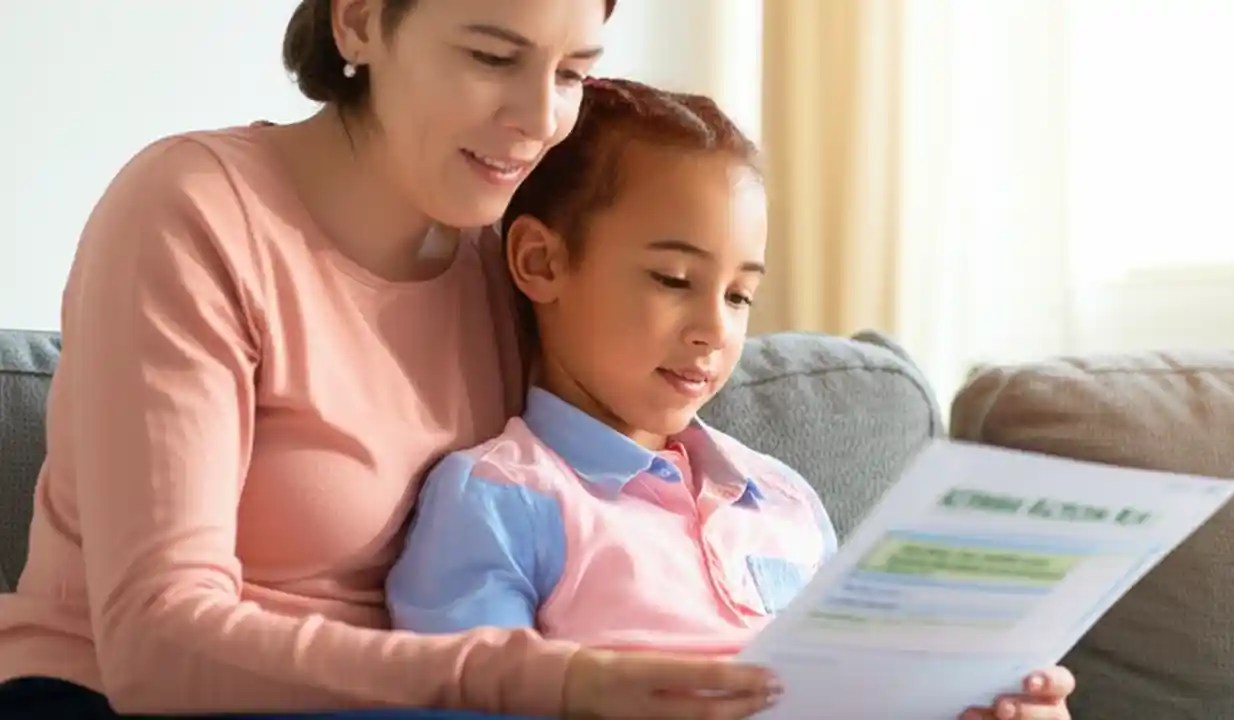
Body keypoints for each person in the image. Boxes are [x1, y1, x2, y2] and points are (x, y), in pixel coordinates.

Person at [0, 0, 1074, 718]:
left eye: (572, 70)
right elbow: (156, 646)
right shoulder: (194, 211)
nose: (536, 120)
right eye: (491, 56)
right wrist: (549, 684)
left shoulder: (510, 252)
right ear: (363, 20)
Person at [384, 78, 1078, 720]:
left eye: (740, 294)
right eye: (673, 278)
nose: (715, 328)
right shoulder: (502, 500)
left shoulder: (784, 500)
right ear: (542, 262)